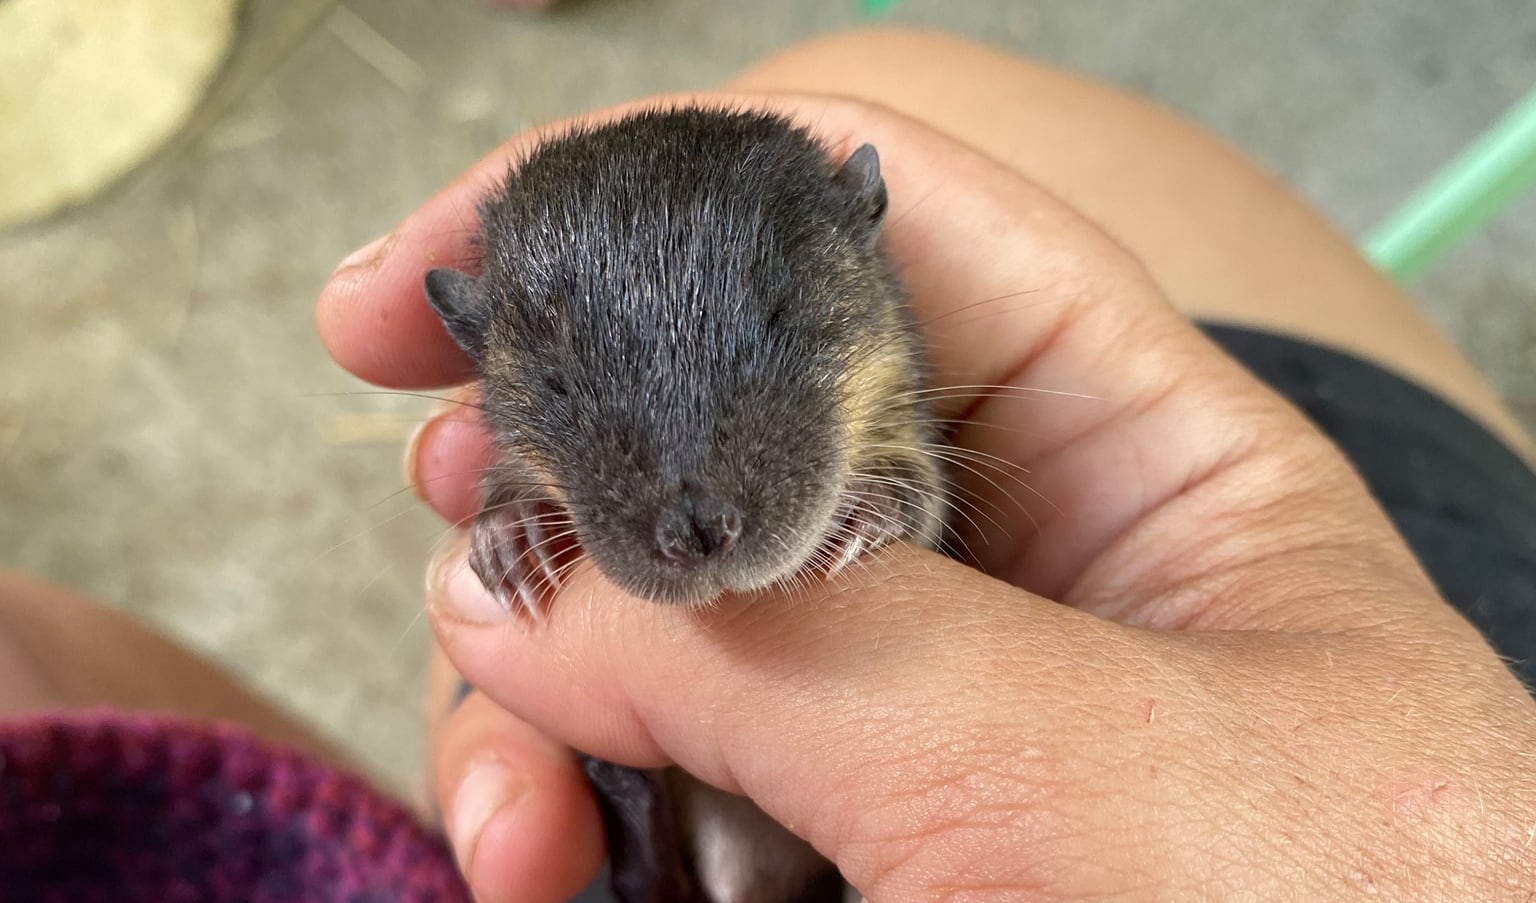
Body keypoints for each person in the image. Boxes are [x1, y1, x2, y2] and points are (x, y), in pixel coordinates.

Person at [4, 29, 1535, 902]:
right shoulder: (551, 442)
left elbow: (928, 506)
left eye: (786, 326)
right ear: (477, 337)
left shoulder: (966, 442)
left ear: (861, 247)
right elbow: (525, 492)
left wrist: (885, 512)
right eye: (570, 373)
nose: (693, 498)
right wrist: (520, 533)